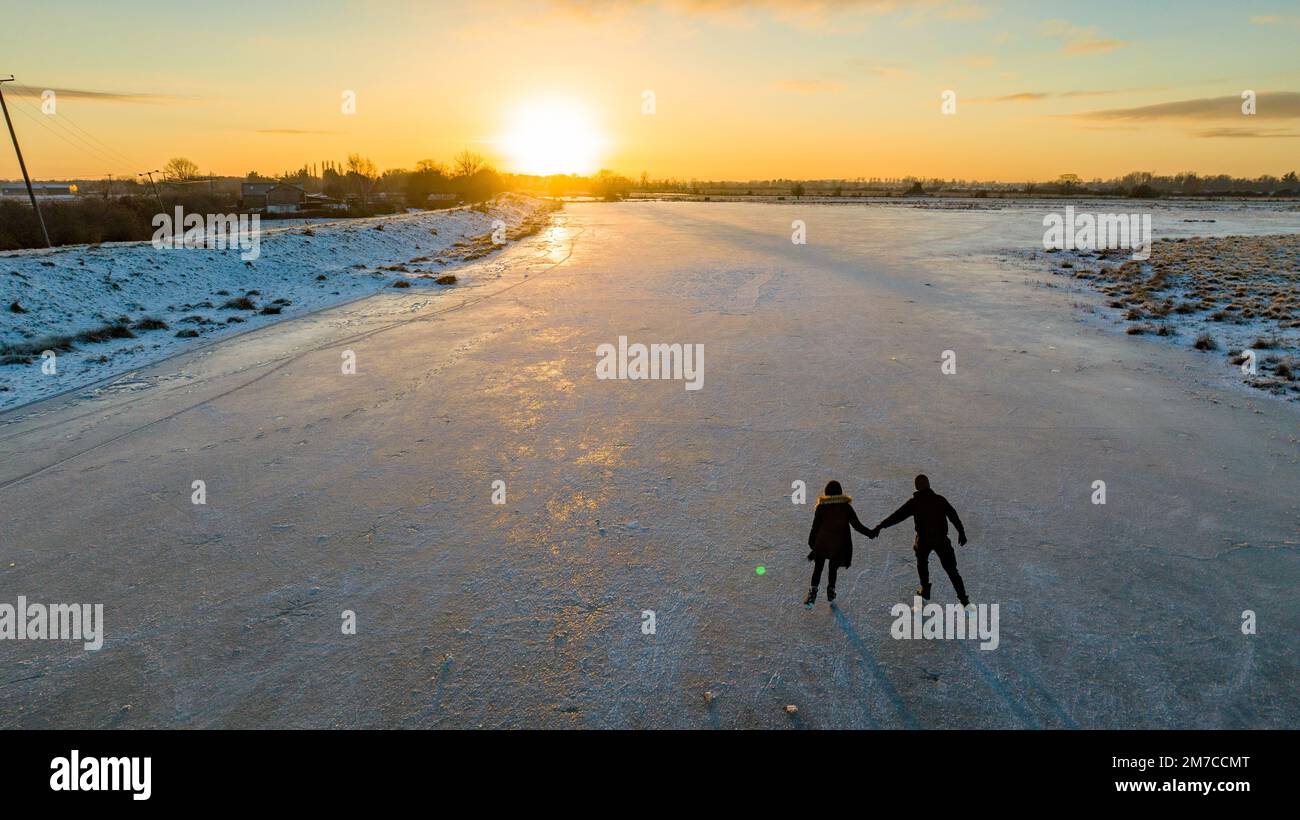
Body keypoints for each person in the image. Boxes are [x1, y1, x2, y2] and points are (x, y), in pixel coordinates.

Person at [874, 474, 971, 607]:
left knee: (922, 562)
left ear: (917, 487)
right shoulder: (939, 500)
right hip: (941, 540)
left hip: (924, 540)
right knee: (952, 570)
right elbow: (953, 516)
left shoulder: (914, 503)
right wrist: (961, 532)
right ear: (929, 485)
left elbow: (897, 516)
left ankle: (925, 589)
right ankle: (964, 600)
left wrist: (881, 526)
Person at [804, 480, 875, 608]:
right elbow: (857, 525)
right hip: (838, 546)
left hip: (822, 543)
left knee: (818, 568)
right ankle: (831, 591)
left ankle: (812, 593)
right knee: (833, 569)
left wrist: (812, 543)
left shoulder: (821, 507)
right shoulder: (846, 508)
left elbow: (815, 527)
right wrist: (870, 533)